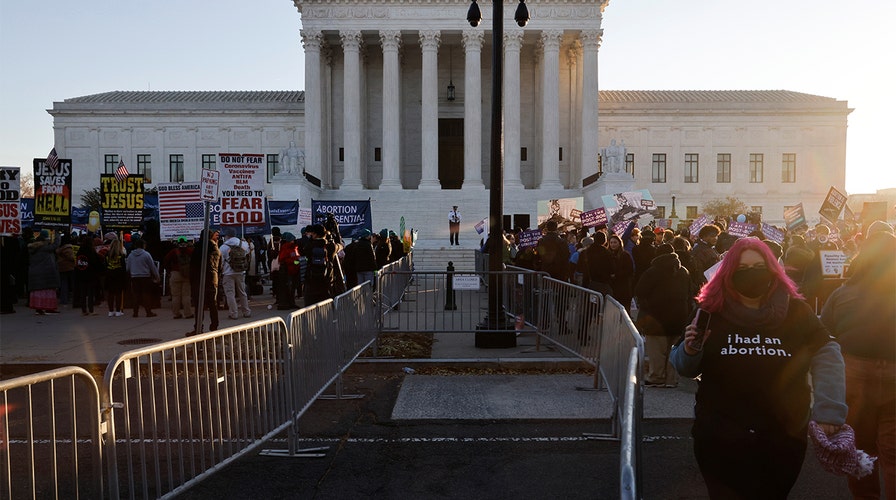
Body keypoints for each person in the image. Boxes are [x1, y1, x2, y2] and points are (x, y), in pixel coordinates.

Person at [670, 237, 847, 498]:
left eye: (758, 267)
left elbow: (827, 352)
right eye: (742, 269)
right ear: (728, 274)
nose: (751, 275)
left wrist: (829, 409)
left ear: (773, 270)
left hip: (783, 436)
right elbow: (683, 366)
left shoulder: (795, 310)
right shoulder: (710, 311)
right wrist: (690, 350)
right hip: (720, 435)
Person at [820, 231, 895, 498]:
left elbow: (823, 333)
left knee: (861, 448)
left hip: (854, 373)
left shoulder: (844, 293)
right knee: (894, 454)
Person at [635, 243, 692, 387]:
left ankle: (657, 376)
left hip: (656, 316)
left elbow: (640, 291)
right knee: (674, 349)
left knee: (657, 351)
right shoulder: (684, 271)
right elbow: (690, 292)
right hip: (679, 316)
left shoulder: (652, 272)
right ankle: (672, 379)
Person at [189, 229, 222, 334]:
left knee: (199, 305)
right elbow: (219, 265)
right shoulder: (215, 248)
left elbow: (193, 265)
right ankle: (214, 326)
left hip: (199, 279)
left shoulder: (198, 248)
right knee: (213, 304)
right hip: (213, 278)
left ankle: (198, 327)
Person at [27, 229, 61, 315]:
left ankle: (38, 309)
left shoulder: (33, 248)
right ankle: (49, 307)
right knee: (48, 291)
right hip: (46, 274)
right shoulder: (45, 248)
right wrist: (57, 234)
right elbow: (56, 244)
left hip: (35, 274)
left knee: (38, 291)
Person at [302, 224, 337, 306]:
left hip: (311, 278)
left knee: (311, 304)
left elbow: (304, 252)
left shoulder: (309, 245)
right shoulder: (330, 246)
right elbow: (338, 246)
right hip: (326, 277)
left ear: (315, 234)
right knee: (325, 303)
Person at [220, 230, 252, 320]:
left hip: (228, 273)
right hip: (241, 271)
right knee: (242, 292)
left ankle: (234, 313)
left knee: (230, 294)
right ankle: (246, 311)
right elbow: (248, 253)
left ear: (227, 236)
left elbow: (221, 261)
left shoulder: (223, 247)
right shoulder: (243, 244)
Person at [126, 238, 160, 317]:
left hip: (134, 277)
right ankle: (148, 312)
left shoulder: (131, 255)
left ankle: (135, 312)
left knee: (136, 295)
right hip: (145, 276)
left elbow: (127, 267)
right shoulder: (146, 254)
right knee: (146, 294)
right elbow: (152, 266)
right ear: (143, 245)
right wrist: (157, 276)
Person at [162, 237, 193, 319]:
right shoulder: (190, 251)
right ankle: (188, 313)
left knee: (175, 296)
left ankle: (176, 313)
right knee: (186, 295)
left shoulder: (174, 251)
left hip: (175, 274)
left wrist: (169, 271)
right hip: (187, 274)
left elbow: (165, 260)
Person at [73, 235, 104, 316]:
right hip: (91, 275)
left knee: (83, 293)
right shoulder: (91, 251)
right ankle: (91, 310)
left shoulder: (80, 251)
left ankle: (84, 310)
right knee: (90, 293)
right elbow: (96, 263)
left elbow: (77, 262)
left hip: (81, 274)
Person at [607, 234, 634, 314]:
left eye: (615, 242)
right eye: (611, 242)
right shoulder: (608, 255)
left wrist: (616, 275)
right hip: (612, 287)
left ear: (619, 243)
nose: (613, 245)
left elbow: (629, 270)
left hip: (623, 288)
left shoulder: (625, 255)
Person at [276, 232, 301, 309]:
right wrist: (295, 262)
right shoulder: (286, 248)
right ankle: (287, 303)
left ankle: (291, 302)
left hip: (294, 270)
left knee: (292, 287)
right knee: (288, 287)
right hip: (288, 271)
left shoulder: (295, 248)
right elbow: (283, 260)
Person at [104, 238, 128, 317]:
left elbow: (105, 265)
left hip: (109, 275)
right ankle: (118, 310)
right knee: (118, 294)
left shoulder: (107, 255)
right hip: (119, 276)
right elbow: (124, 268)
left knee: (110, 294)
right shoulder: (121, 255)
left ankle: (110, 311)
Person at [55, 233, 75, 307]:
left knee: (63, 284)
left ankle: (64, 299)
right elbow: (71, 258)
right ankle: (74, 298)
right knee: (73, 284)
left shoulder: (59, 249)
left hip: (61, 267)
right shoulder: (68, 249)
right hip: (70, 267)